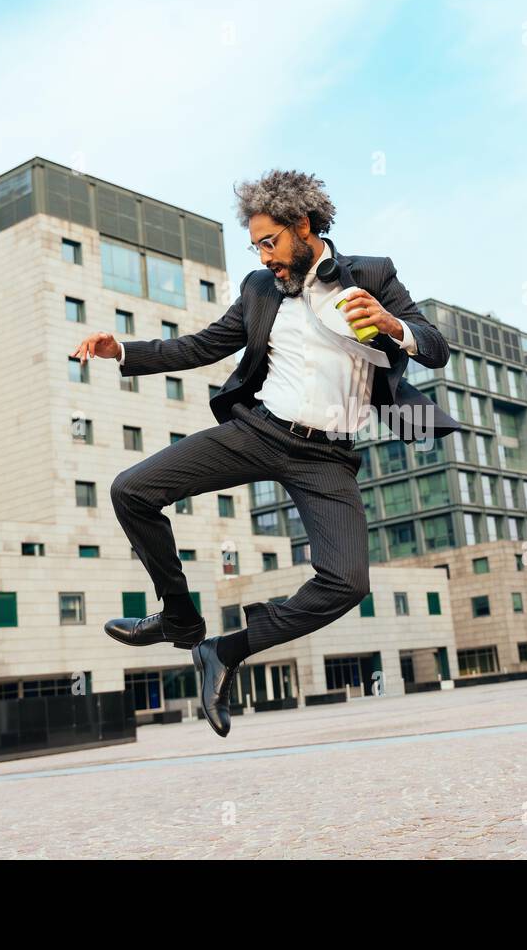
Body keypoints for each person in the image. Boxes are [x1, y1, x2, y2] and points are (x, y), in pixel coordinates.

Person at [71, 169, 457, 736]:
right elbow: (201, 346)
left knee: (347, 583)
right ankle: (179, 618)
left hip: (326, 457)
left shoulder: (372, 275)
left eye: (269, 242)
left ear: (303, 226)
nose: (263, 255)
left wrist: (393, 325)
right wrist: (122, 349)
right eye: (255, 245)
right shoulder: (258, 289)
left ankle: (224, 651)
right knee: (131, 490)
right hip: (259, 431)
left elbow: (436, 348)